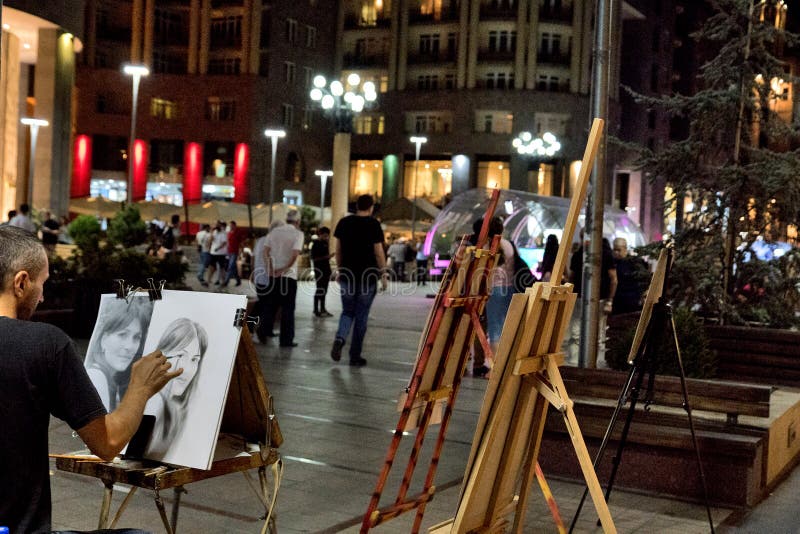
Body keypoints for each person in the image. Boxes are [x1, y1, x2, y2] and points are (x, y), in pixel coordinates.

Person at [0, 225, 181, 533]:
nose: (43, 297)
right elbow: (107, 442)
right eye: (42, 285)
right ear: (20, 282)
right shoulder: (44, 345)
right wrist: (139, 387)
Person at [330, 194, 388, 367]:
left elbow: (338, 250)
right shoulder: (373, 224)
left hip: (347, 275)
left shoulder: (344, 222)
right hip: (368, 277)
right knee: (361, 316)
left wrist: (340, 270)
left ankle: (340, 339)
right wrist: (384, 274)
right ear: (371, 207)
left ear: (356, 206)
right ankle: (355, 356)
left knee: (347, 312)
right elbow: (378, 252)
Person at [144, 317, 208, 457]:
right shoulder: (152, 403)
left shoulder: (177, 411)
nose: (184, 368)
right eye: (180, 355)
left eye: (194, 359)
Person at [84, 297, 154, 411]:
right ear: (103, 339)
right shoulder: (97, 378)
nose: (130, 347)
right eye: (122, 335)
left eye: (136, 337)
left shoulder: (110, 378)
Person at [260, 210, 304, 347]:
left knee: (271, 305)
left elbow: (265, 251)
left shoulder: (274, 232)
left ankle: (263, 331)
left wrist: (271, 267)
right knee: (288, 309)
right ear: (298, 221)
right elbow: (295, 254)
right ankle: (286, 340)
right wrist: (283, 270)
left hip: (273, 275)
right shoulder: (298, 233)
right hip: (288, 277)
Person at [611, 237, 649, 315]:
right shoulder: (612, 263)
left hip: (632, 302)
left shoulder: (635, 262)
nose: (616, 252)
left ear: (625, 249)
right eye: (614, 250)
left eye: (619, 250)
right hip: (618, 303)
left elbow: (644, 279)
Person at [311, 226, 334, 317]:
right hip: (319, 270)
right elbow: (314, 259)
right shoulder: (316, 244)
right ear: (320, 234)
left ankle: (323, 309)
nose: (326, 237)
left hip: (326, 270)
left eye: (327, 236)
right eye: (325, 236)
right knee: (319, 290)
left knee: (324, 290)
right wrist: (327, 257)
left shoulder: (325, 243)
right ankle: (316, 309)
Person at [223, 220, 243, 286]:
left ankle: (226, 281)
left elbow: (241, 243)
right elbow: (228, 243)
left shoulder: (238, 232)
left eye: (231, 225)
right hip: (229, 252)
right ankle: (238, 280)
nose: (230, 226)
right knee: (233, 267)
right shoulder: (228, 233)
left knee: (230, 267)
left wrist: (240, 253)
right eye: (230, 225)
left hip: (235, 252)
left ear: (234, 225)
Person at [209, 220, 228, 285]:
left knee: (222, 267)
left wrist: (218, 248)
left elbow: (224, 243)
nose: (217, 226)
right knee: (211, 266)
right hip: (213, 252)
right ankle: (209, 280)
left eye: (218, 225)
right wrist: (211, 232)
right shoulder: (214, 232)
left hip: (221, 253)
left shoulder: (223, 233)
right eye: (216, 224)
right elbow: (211, 240)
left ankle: (223, 281)